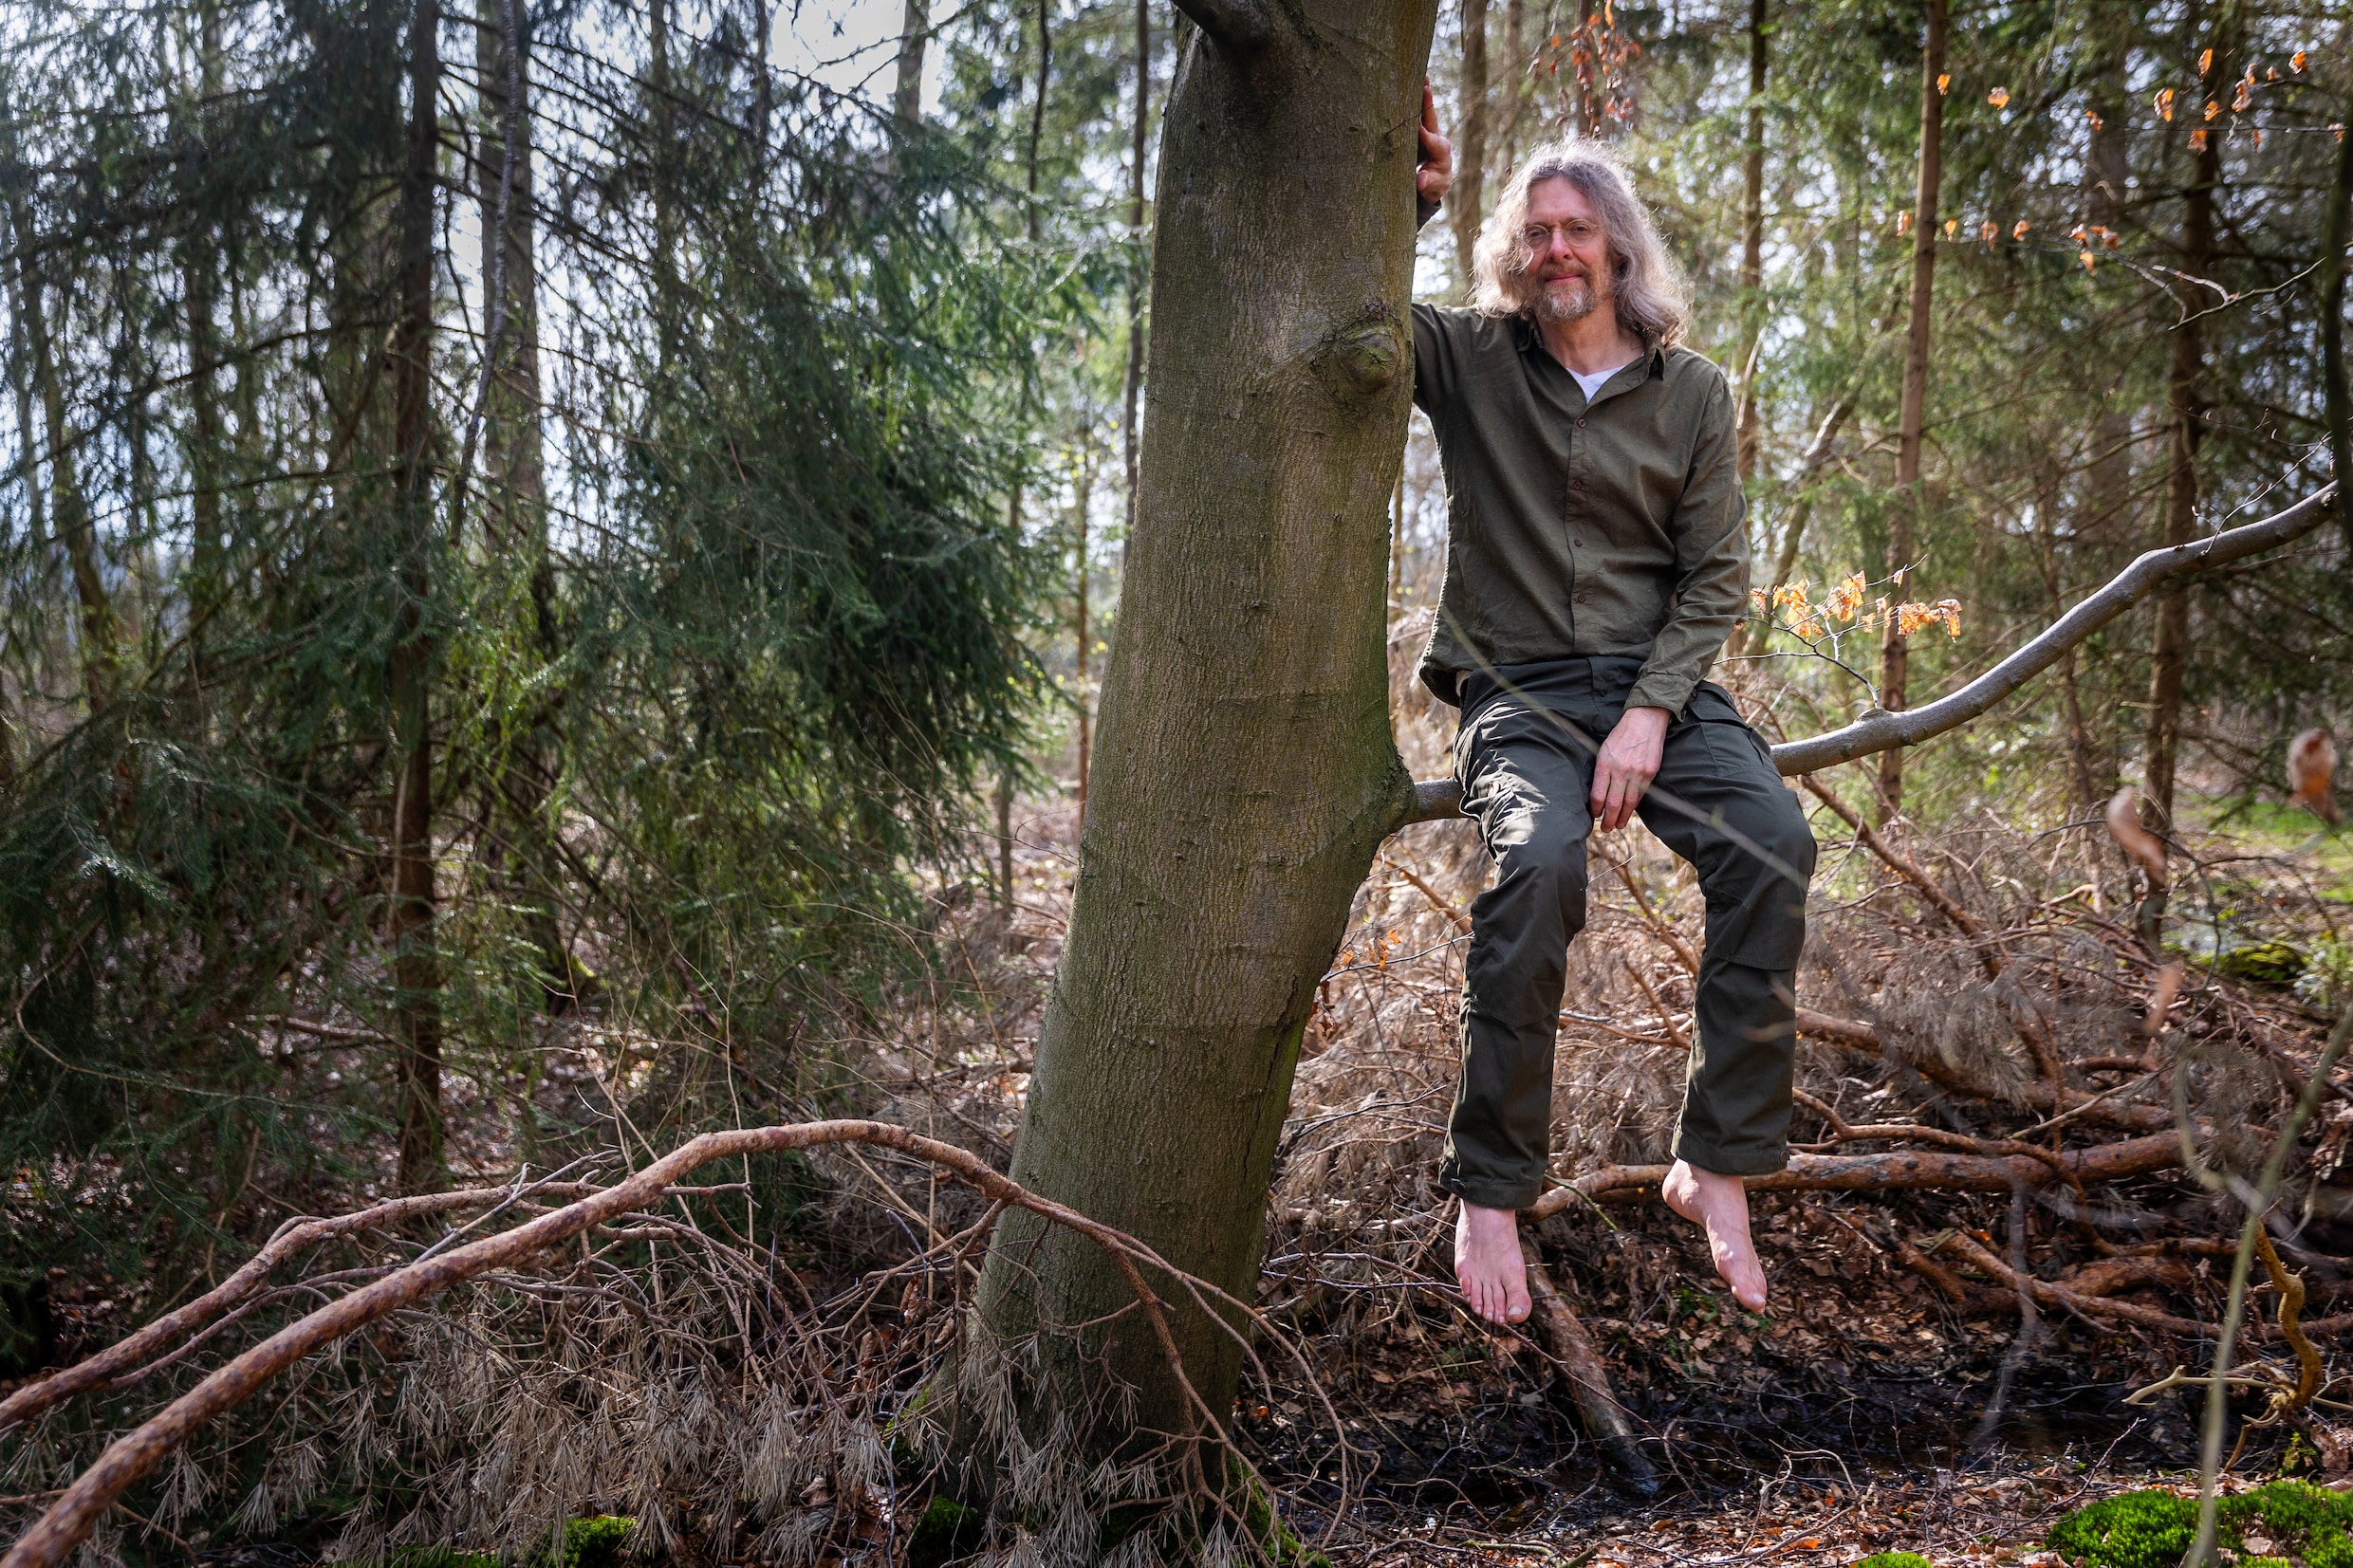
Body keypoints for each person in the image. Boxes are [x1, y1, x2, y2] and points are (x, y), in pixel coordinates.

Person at [1411, 93, 1816, 1326]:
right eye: (1534, 233)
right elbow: (1361, 329)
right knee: (1537, 867)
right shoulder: (1474, 362)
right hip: (1519, 693)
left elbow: (1716, 580)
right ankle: (1491, 1186)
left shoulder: (1693, 394)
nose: (1555, 251)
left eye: (1576, 228)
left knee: (1776, 844)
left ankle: (1719, 1162)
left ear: (1618, 246)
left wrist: (1651, 712)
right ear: (1512, 256)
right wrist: (1412, 202)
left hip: (1664, 694)